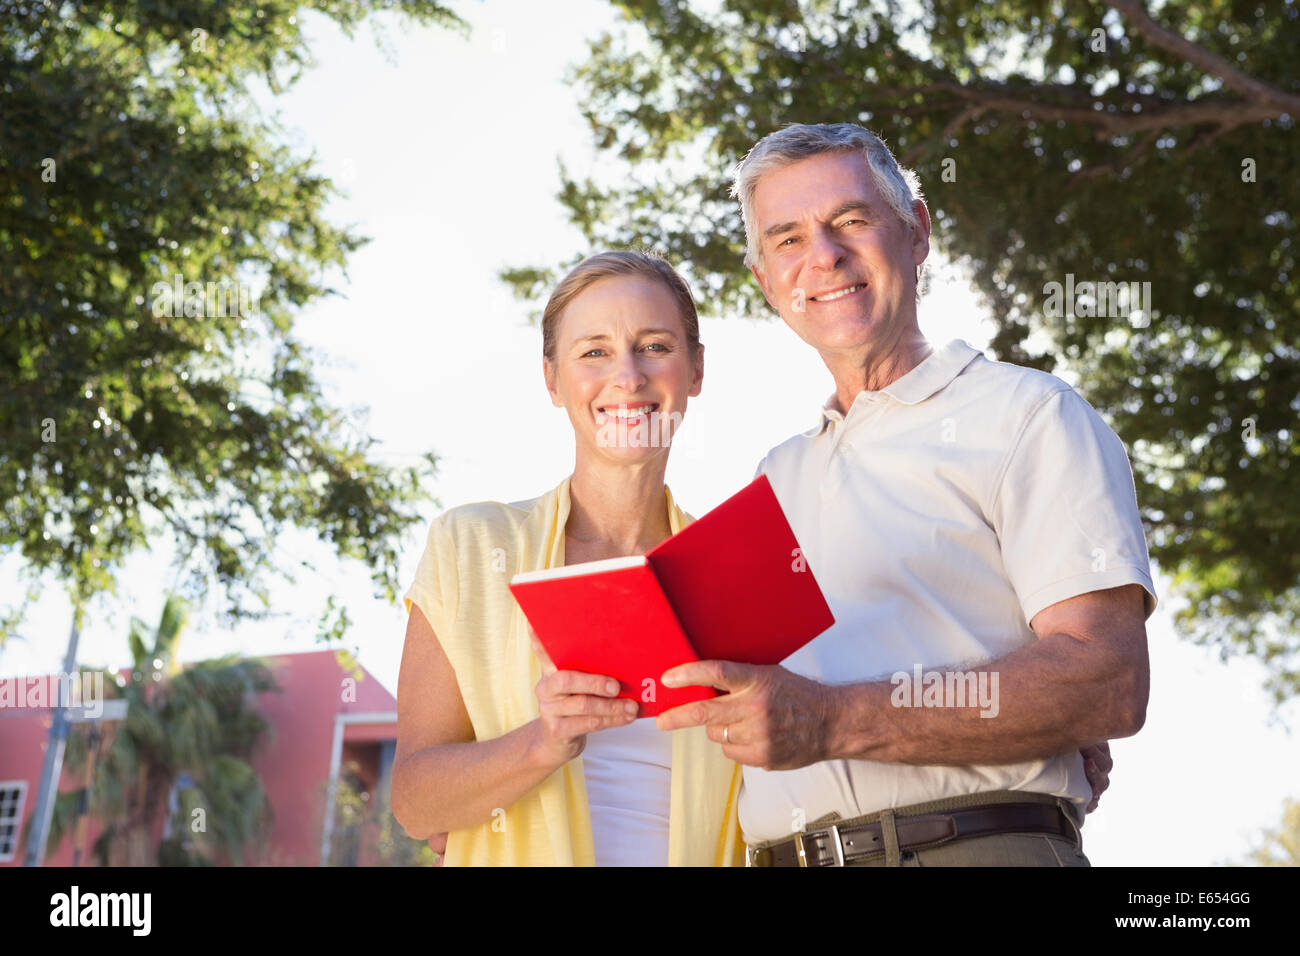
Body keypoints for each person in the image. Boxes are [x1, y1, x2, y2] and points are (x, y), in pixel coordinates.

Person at [655, 123, 1156, 866]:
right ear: (765, 279)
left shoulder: (1026, 415)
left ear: (916, 233)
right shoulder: (774, 477)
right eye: (786, 239)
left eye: (851, 221)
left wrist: (832, 721)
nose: (822, 256)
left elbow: (1106, 681)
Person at [390, 250, 745, 866]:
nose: (628, 375)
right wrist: (541, 742)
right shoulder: (471, 549)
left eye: (655, 346)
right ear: (552, 380)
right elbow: (416, 803)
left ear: (696, 370)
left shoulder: (735, 573)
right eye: (594, 352)